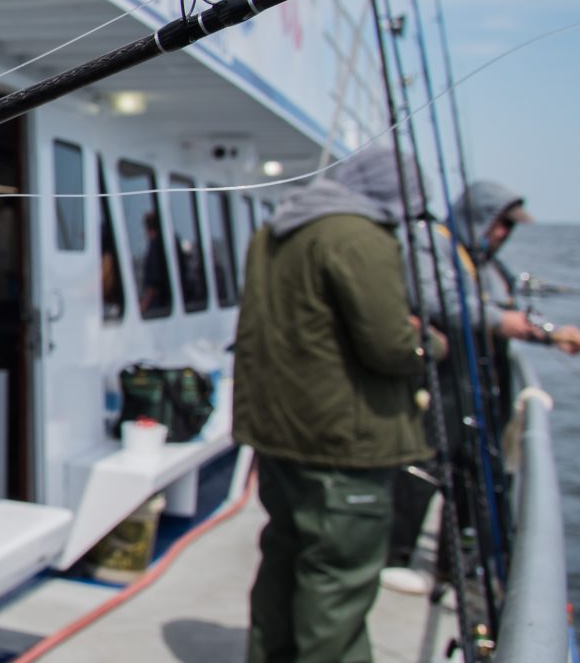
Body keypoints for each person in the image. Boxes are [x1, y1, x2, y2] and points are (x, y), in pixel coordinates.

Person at [233, 144, 439, 663]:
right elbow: (390, 345)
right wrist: (430, 343)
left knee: (284, 557)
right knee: (338, 580)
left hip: (278, 434)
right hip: (343, 444)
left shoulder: (274, 231)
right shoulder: (359, 237)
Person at [380, 179, 580, 596]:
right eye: (501, 222)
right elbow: (443, 303)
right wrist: (525, 330)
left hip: (477, 383)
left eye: (511, 226)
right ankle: (396, 555)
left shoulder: (480, 260)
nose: (504, 233)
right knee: (428, 463)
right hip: (442, 378)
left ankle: (459, 565)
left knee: (473, 468)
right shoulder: (432, 244)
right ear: (481, 215)